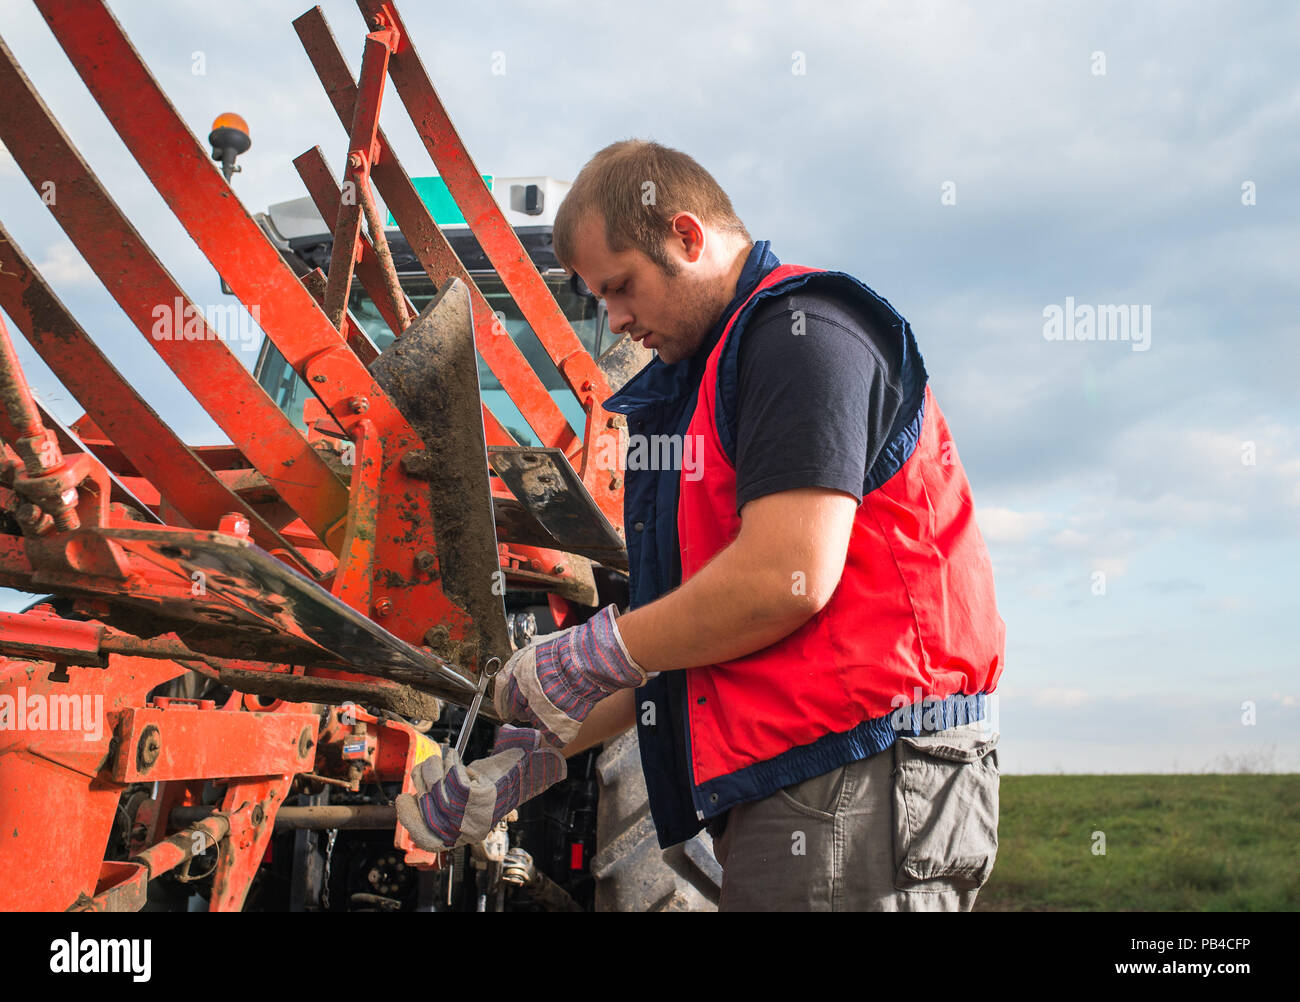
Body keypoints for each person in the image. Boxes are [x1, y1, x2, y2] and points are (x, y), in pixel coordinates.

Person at [397, 139, 1005, 911]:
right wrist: (533, 760)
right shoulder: (702, 388)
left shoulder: (804, 336)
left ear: (687, 237)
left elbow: (785, 581)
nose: (615, 321)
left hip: (861, 774)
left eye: (620, 287)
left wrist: (593, 648)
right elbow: (682, 638)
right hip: (806, 783)